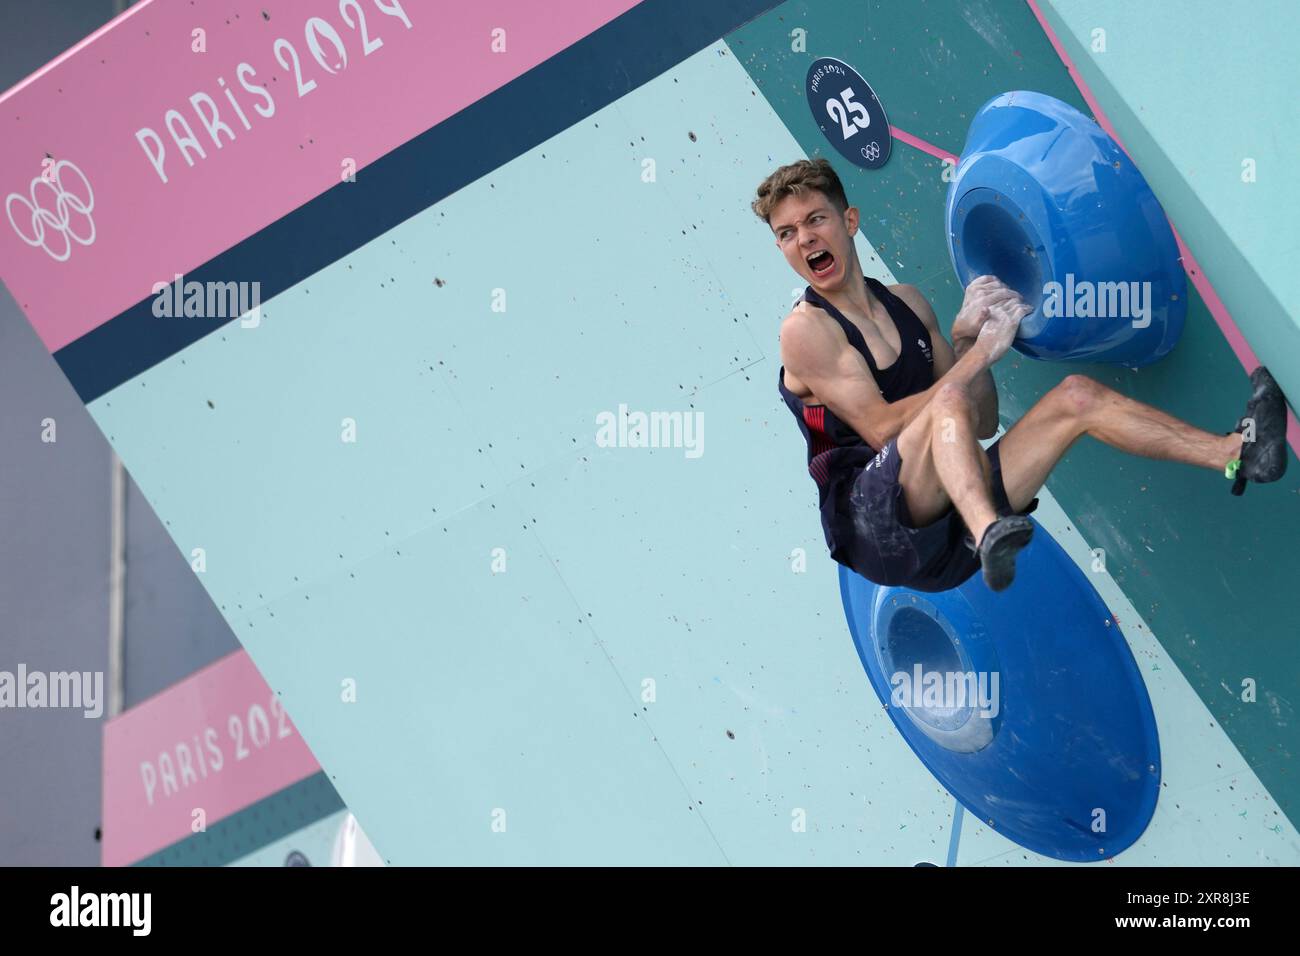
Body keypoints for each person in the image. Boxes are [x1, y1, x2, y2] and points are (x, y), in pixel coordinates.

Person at [753, 158, 1288, 592]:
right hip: (874, 529)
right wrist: (980, 353)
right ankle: (988, 532)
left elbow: (981, 420)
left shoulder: (908, 304)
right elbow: (881, 429)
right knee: (944, 402)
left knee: (1076, 399)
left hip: (946, 536)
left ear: (848, 221)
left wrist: (964, 343)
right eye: (787, 233)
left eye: (815, 220)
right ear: (781, 247)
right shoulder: (805, 332)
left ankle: (1238, 454)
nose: (804, 239)